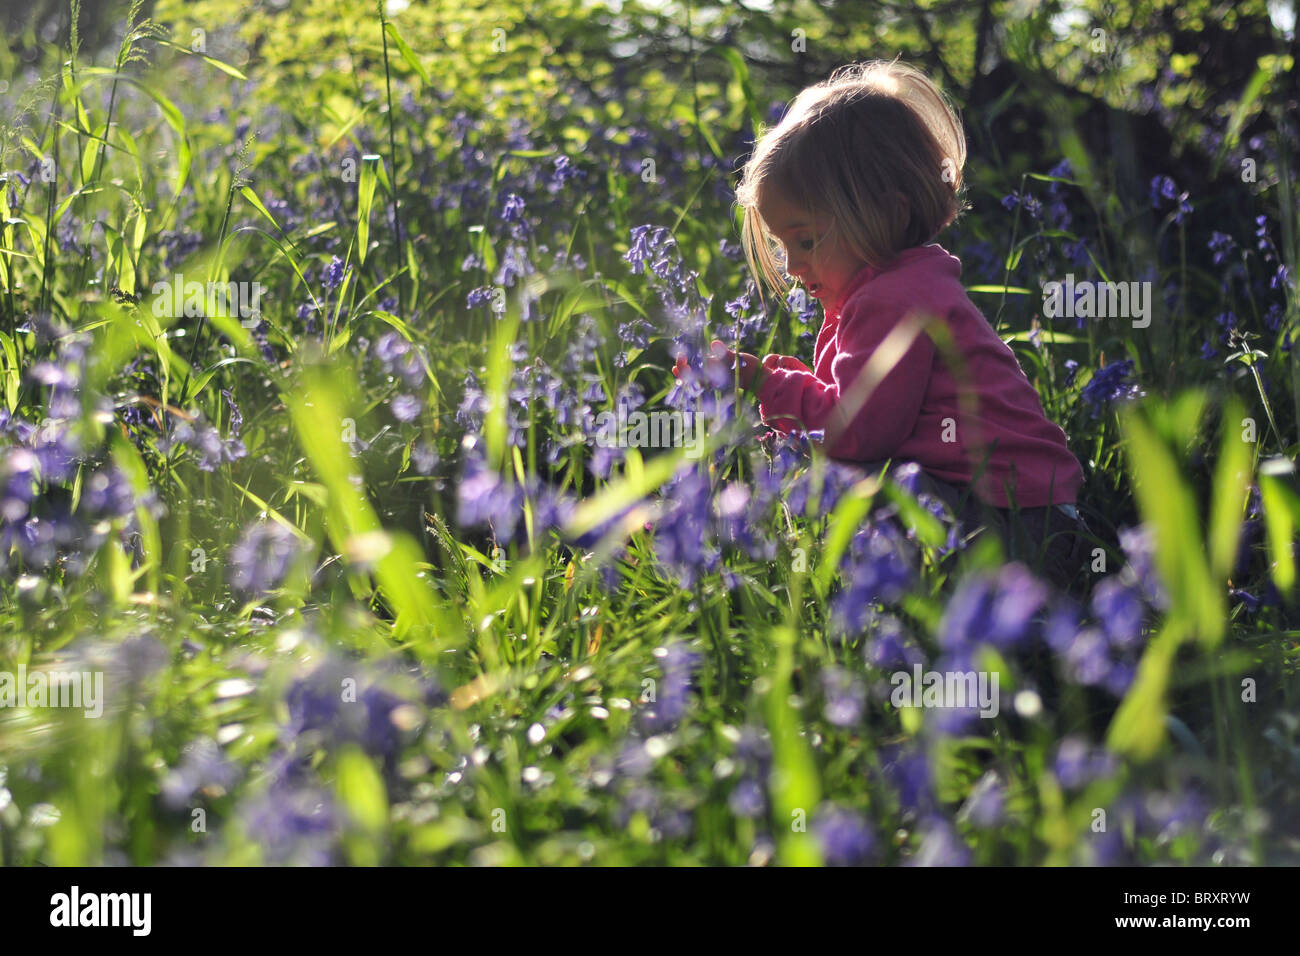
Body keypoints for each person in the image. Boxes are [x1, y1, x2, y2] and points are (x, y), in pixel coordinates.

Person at [675, 58, 1089, 592]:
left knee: (858, 487)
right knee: (804, 462)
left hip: (1021, 530)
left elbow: (855, 430)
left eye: (805, 240)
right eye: (781, 246)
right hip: (1037, 513)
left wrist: (764, 383)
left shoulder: (893, 300)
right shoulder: (901, 285)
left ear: (888, 216)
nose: (792, 266)